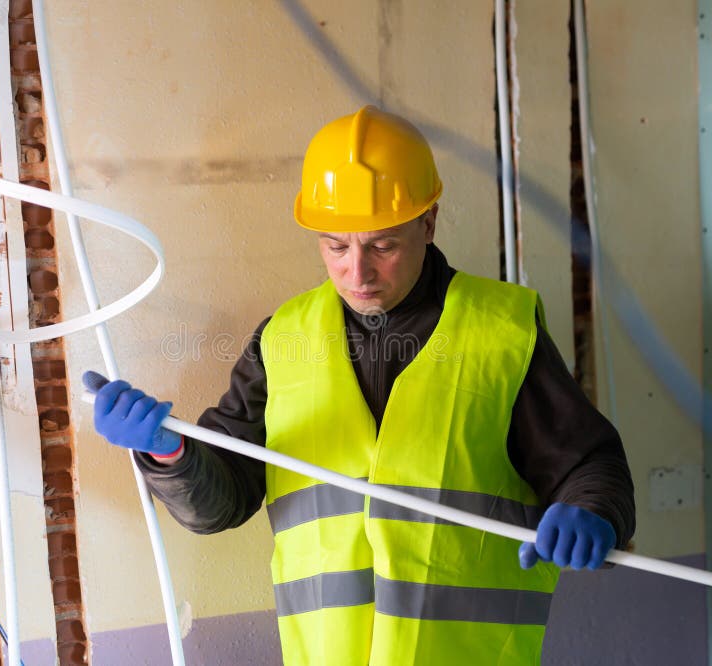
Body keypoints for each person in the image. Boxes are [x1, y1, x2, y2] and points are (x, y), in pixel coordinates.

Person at [84, 106, 635, 665]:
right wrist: (168, 452)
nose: (358, 273)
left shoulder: (502, 331)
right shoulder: (282, 341)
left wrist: (592, 512)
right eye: (336, 246)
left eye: (382, 246)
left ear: (428, 223)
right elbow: (220, 503)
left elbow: (588, 466)